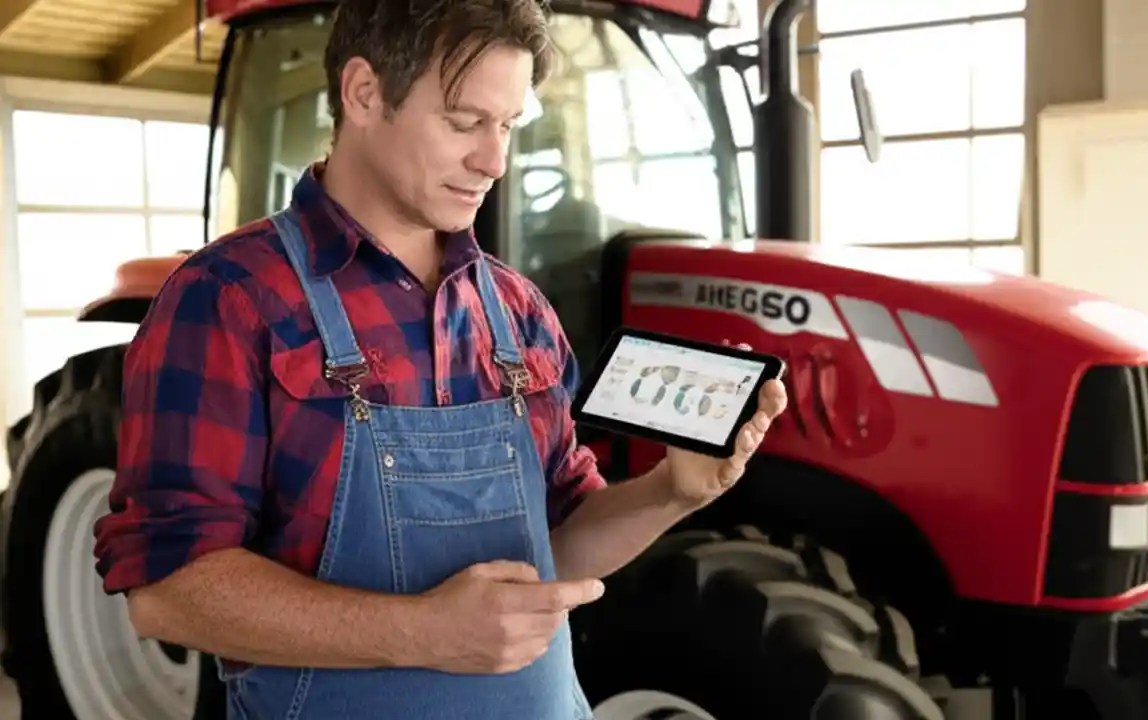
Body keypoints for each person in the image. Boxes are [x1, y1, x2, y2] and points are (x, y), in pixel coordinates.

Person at [92, 0, 787, 717]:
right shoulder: (228, 300)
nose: (494, 160)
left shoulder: (519, 311)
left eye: (509, 125)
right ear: (364, 93)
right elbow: (169, 593)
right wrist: (423, 632)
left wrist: (671, 492)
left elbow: (556, 550)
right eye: (462, 122)